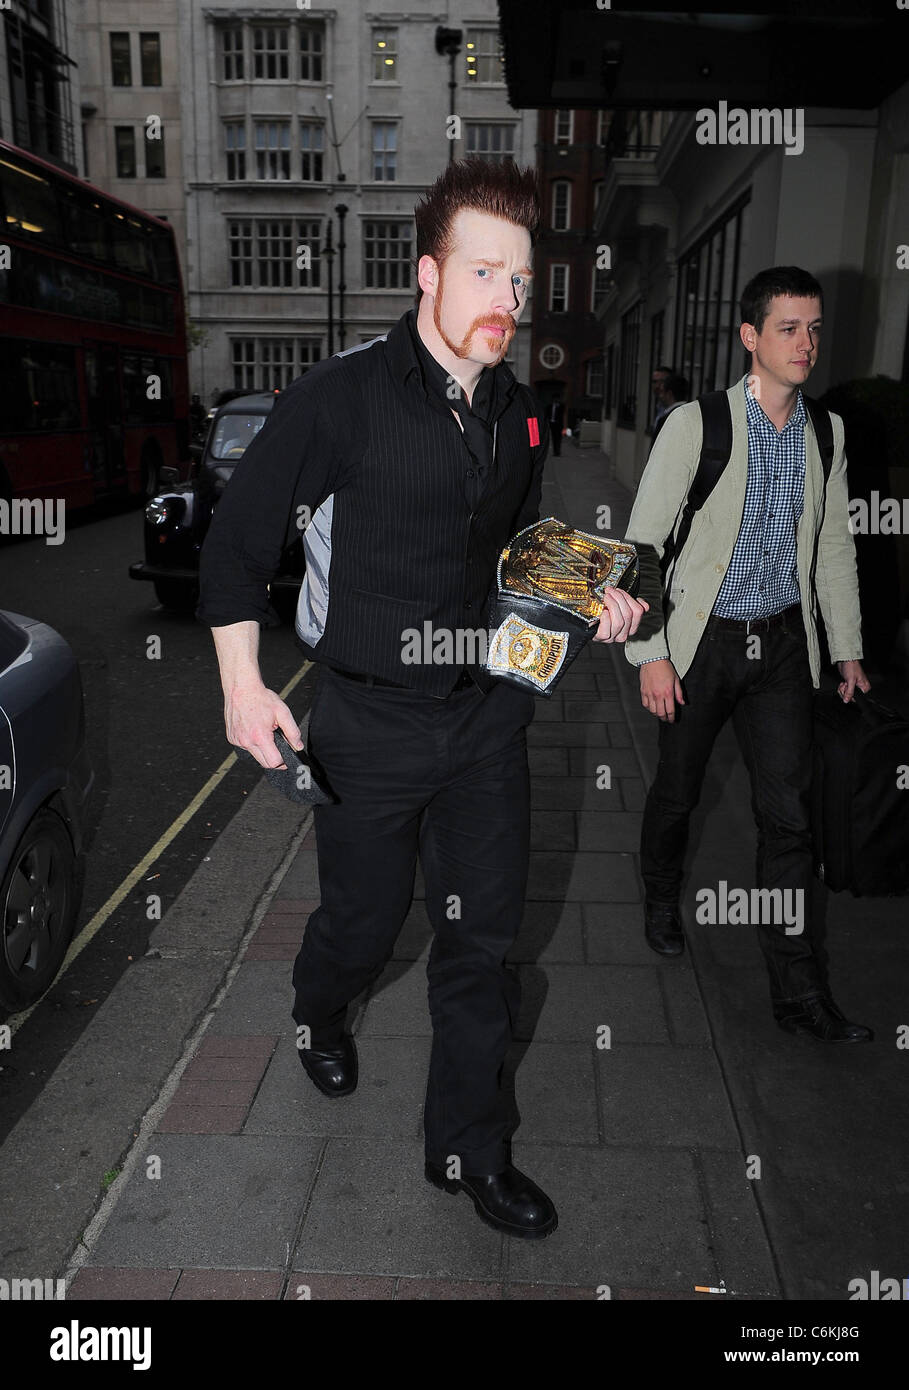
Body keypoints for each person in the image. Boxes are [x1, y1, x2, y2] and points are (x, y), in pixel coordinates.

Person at [196, 158, 647, 1239]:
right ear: (427, 273)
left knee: (481, 946)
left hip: (486, 718)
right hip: (366, 721)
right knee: (361, 925)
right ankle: (318, 1010)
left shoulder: (521, 413)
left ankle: (469, 1151)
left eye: (522, 280)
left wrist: (589, 595)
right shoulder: (337, 402)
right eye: (485, 272)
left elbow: (516, 551)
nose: (508, 300)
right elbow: (235, 545)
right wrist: (243, 688)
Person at [624, 266, 873, 1044]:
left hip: (781, 650)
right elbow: (640, 548)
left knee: (787, 822)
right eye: (789, 328)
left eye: (815, 328)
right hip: (702, 646)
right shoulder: (696, 426)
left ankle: (798, 992)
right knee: (677, 793)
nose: (806, 343)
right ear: (750, 337)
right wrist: (651, 654)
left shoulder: (826, 433)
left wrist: (847, 649)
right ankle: (661, 899)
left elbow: (832, 546)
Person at [651, 373, 689, 443]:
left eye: (662, 391)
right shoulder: (692, 416)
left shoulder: (665, 419)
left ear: (669, 394)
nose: (660, 396)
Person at [650, 363, 673, 433]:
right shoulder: (659, 407)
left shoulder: (675, 410)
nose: (658, 386)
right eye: (655, 382)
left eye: (662, 381)